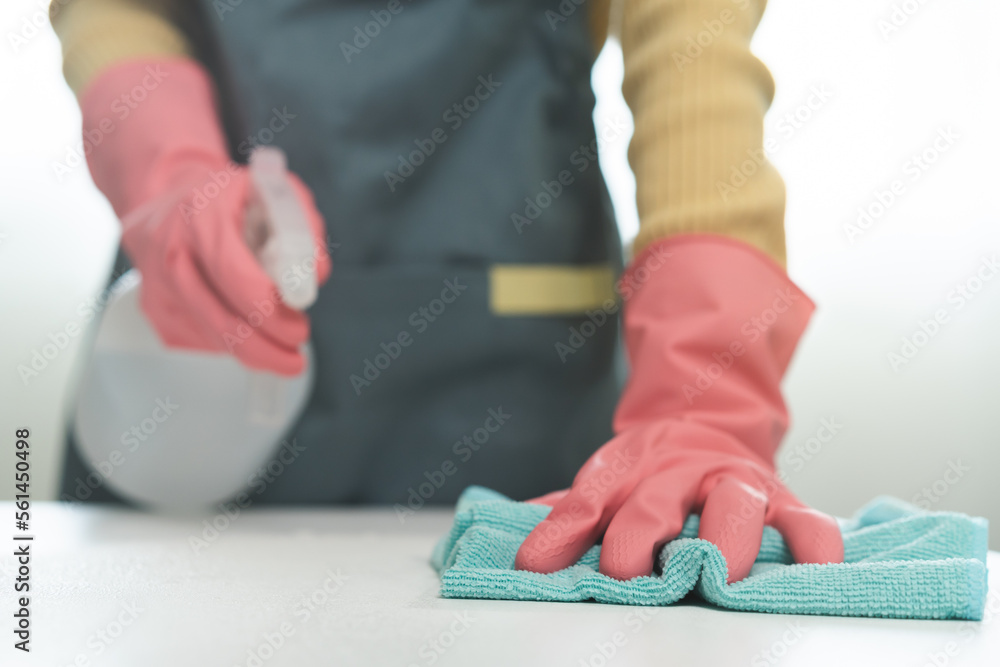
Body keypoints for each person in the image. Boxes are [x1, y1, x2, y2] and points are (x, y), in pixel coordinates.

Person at [50, 0, 843, 582]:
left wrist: (705, 385)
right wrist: (167, 164)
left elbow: (690, 38)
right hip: (194, 356)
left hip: (519, 388)